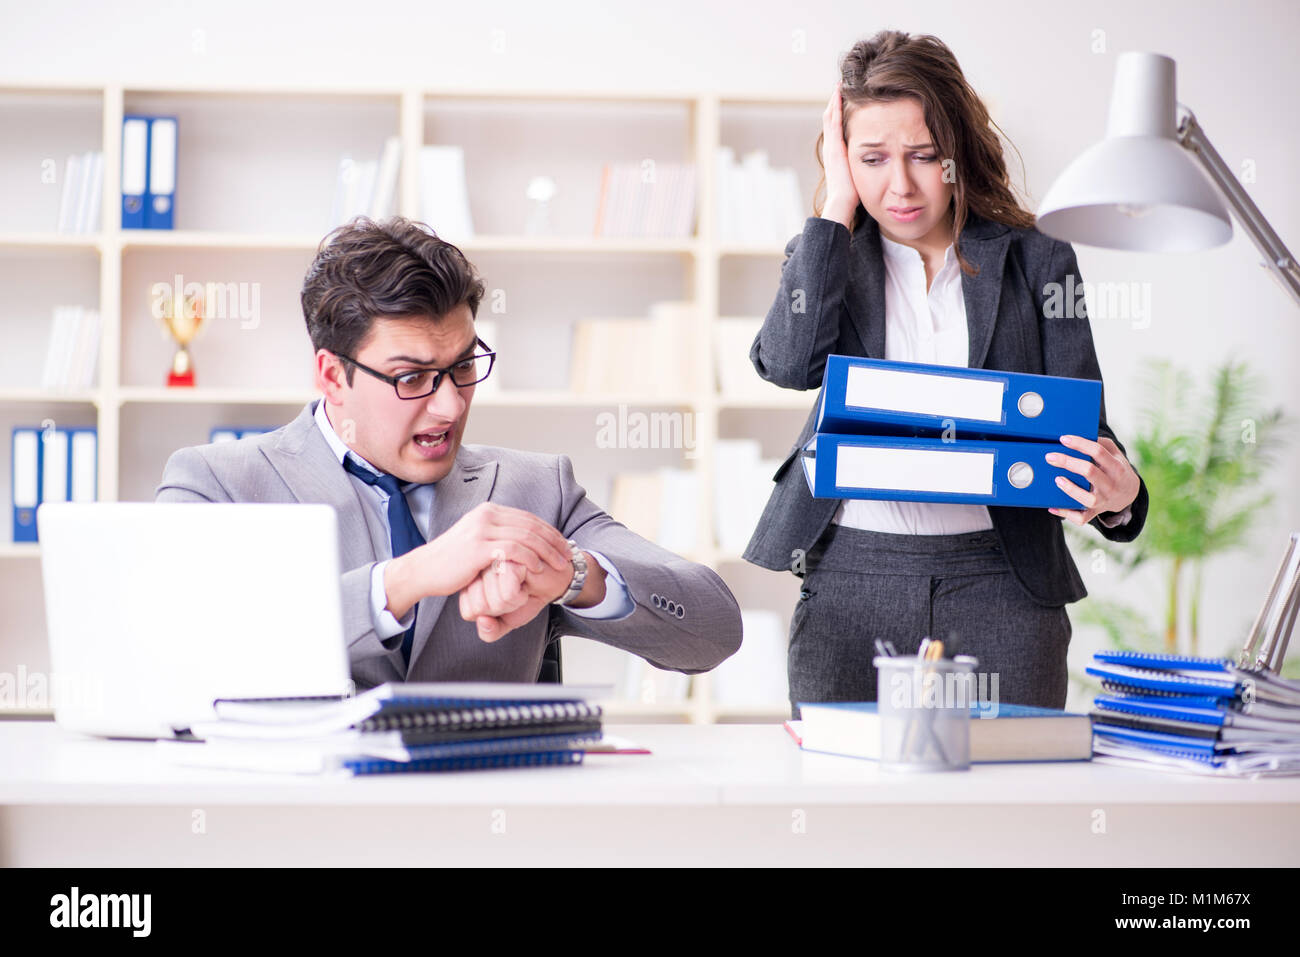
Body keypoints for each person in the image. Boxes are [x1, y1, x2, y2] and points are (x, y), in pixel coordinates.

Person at [742, 31, 1149, 716]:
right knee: (850, 807)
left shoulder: (1038, 259)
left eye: (925, 157)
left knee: (1006, 805)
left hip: (1002, 581)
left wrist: (1121, 494)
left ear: (958, 150)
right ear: (844, 157)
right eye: (871, 158)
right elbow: (787, 365)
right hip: (851, 577)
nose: (898, 186)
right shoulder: (827, 251)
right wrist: (836, 206)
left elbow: (1081, 425)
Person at [156, 216, 742, 689]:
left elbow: (714, 630)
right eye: (411, 378)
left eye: (463, 367)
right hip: (303, 821)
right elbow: (185, 649)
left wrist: (572, 574)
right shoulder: (218, 482)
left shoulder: (537, 489)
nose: (450, 406)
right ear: (332, 377)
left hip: (484, 821)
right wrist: (403, 581)